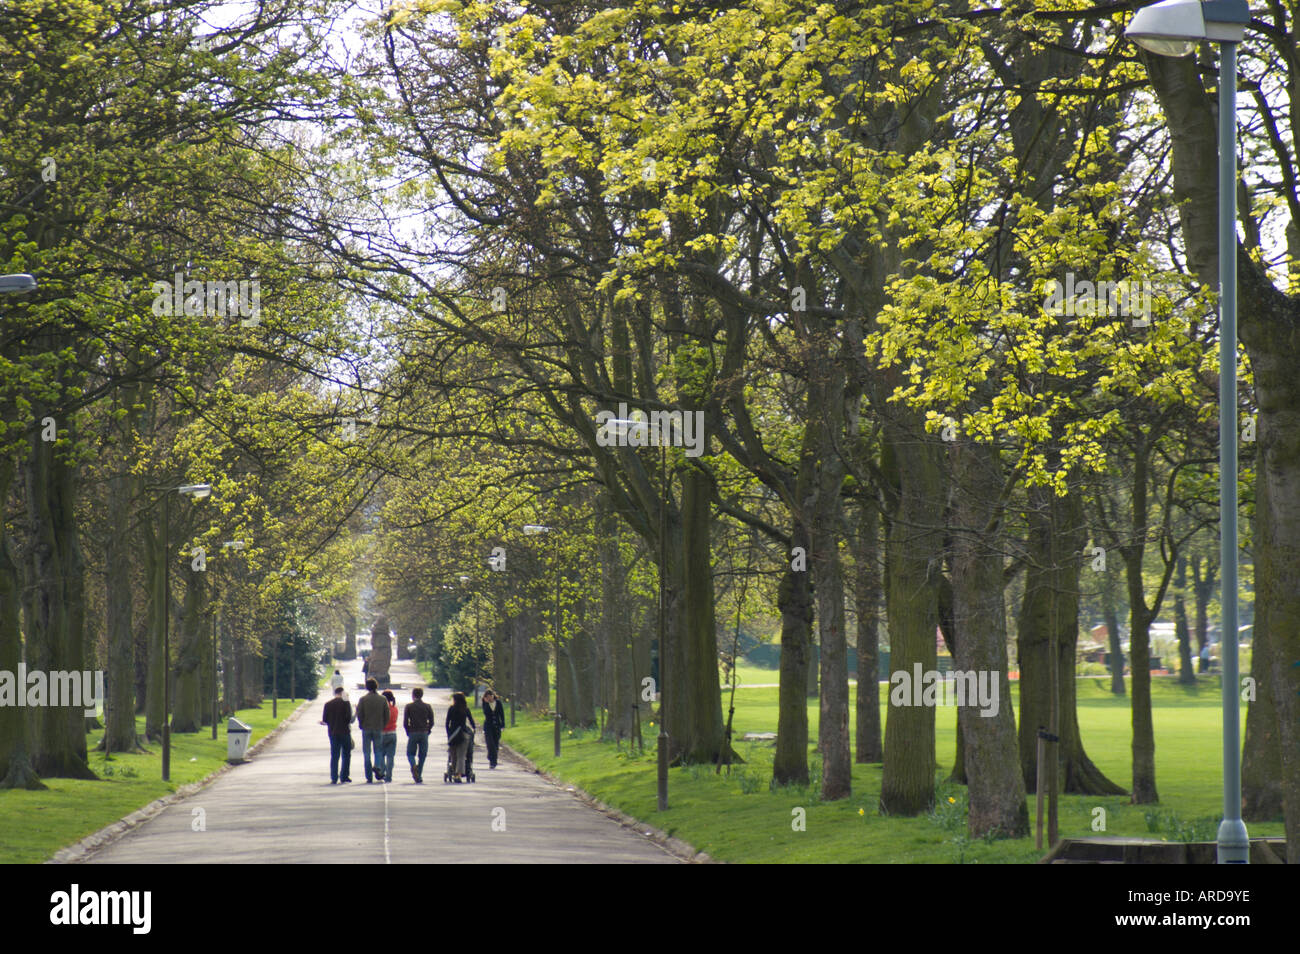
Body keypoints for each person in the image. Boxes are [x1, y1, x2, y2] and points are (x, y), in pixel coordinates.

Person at [355, 677, 389, 783]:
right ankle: (377, 766)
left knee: (367, 752)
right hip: (378, 727)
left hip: (366, 727)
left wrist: (361, 723)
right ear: (376, 686)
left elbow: (359, 713)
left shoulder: (363, 699)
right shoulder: (383, 699)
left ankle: (368, 776)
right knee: (378, 750)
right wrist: (383, 724)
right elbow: (387, 714)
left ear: (366, 687)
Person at [320, 686, 354, 784]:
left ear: (335, 693)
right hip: (345, 732)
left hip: (333, 732)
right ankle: (344, 775)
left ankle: (334, 777)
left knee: (334, 755)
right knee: (346, 755)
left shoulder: (328, 704)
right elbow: (349, 718)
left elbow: (325, 719)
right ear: (342, 693)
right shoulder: (346, 703)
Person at [404, 687, 435, 782]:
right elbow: (432, 721)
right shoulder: (427, 706)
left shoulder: (409, 706)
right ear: (422, 695)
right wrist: (428, 729)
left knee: (410, 753)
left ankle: (413, 766)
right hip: (424, 732)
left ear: (413, 695)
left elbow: (405, 722)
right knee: (422, 754)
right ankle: (419, 774)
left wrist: (408, 731)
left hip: (413, 732)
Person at [445, 692, 476, 782]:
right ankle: (459, 774)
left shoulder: (451, 709)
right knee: (461, 755)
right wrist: (473, 729)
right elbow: (471, 721)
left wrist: (449, 734)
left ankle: (455, 773)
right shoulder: (465, 709)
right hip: (463, 733)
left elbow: (447, 723)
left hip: (453, 734)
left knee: (453, 756)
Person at [481, 690, 505, 769]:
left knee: (495, 743)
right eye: (487, 697)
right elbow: (486, 713)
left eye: (490, 696)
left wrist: (503, 725)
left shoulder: (498, 703)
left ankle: (493, 759)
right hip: (488, 726)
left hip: (497, 726)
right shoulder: (485, 704)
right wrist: (486, 703)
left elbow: (501, 714)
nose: (489, 698)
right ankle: (492, 762)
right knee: (490, 743)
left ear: (493, 695)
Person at [380, 690, 399, 783]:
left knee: (380, 754)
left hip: (382, 733)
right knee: (390, 756)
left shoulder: (381, 709)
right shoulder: (395, 709)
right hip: (392, 733)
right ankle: (389, 776)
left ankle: (382, 770)